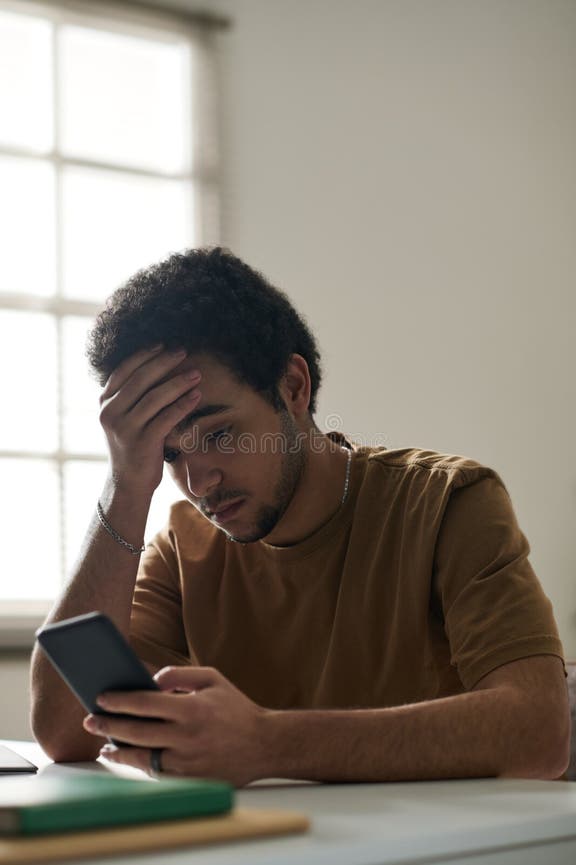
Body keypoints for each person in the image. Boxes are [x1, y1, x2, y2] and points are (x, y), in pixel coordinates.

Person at [31, 247, 570, 786]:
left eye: (219, 435)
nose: (200, 483)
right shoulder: (184, 548)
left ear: (293, 387)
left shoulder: (446, 503)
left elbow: (539, 731)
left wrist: (266, 744)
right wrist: (127, 484)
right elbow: (64, 731)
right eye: (169, 455)